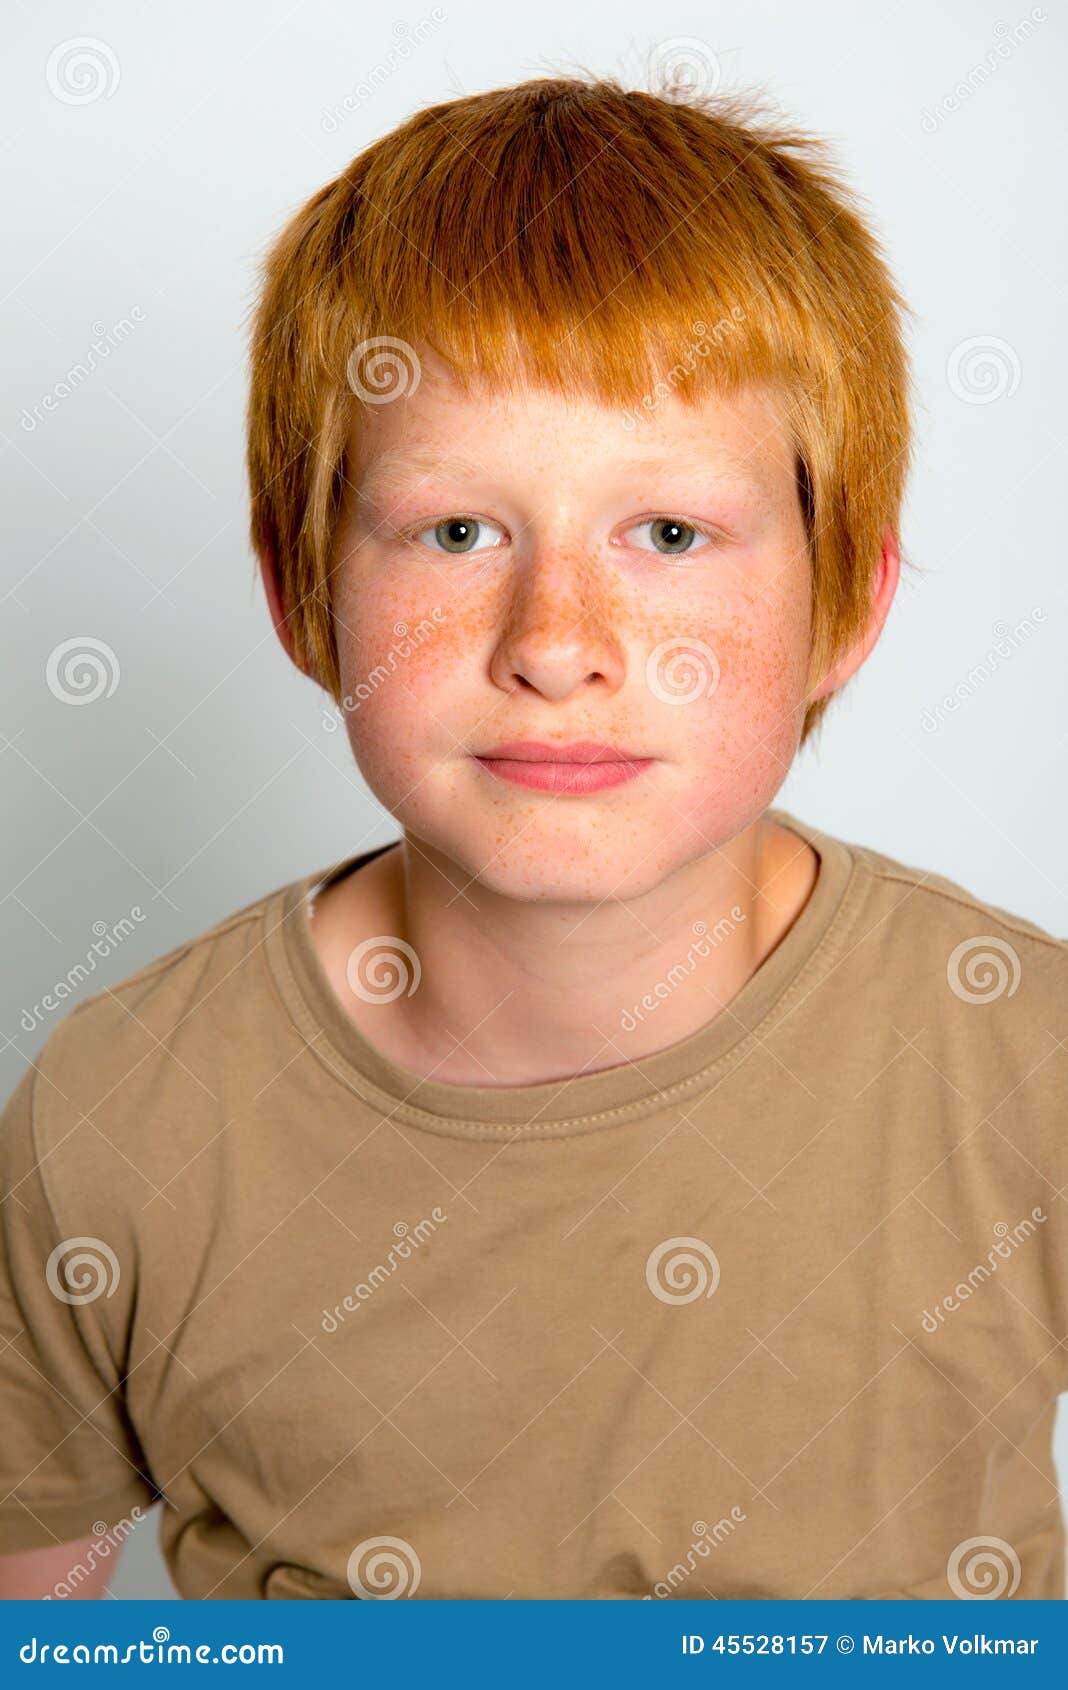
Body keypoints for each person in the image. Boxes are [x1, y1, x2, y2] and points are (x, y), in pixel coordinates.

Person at [1, 74, 1065, 1603]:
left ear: (845, 600)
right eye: (456, 532)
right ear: (303, 595)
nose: (557, 642)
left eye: (672, 535)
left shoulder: (1028, 1063)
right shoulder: (117, 1123)